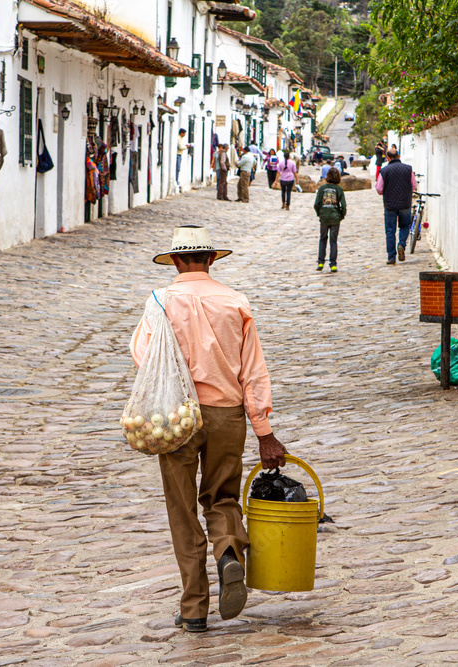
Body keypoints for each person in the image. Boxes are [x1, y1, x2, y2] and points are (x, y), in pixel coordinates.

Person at [130, 225, 288, 634]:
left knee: (182, 510)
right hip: (227, 415)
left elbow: (143, 357)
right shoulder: (236, 302)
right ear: (212, 259)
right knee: (222, 497)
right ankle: (229, 553)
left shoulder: (159, 302)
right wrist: (264, 430)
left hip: (175, 416)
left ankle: (194, 607)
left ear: (176, 261)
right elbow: (253, 371)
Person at [375, 148, 417, 264]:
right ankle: (401, 244)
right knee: (405, 226)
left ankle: (391, 257)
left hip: (390, 204)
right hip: (405, 203)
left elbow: (379, 189)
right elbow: (414, 185)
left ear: (387, 158)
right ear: (398, 156)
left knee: (390, 231)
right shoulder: (408, 169)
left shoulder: (384, 171)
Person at [313, 167, 347, 272]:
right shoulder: (339, 190)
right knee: (333, 241)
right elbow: (343, 206)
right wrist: (341, 216)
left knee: (323, 239)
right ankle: (333, 264)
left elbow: (316, 204)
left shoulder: (322, 189)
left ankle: (321, 262)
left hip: (324, 217)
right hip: (335, 217)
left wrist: (320, 213)